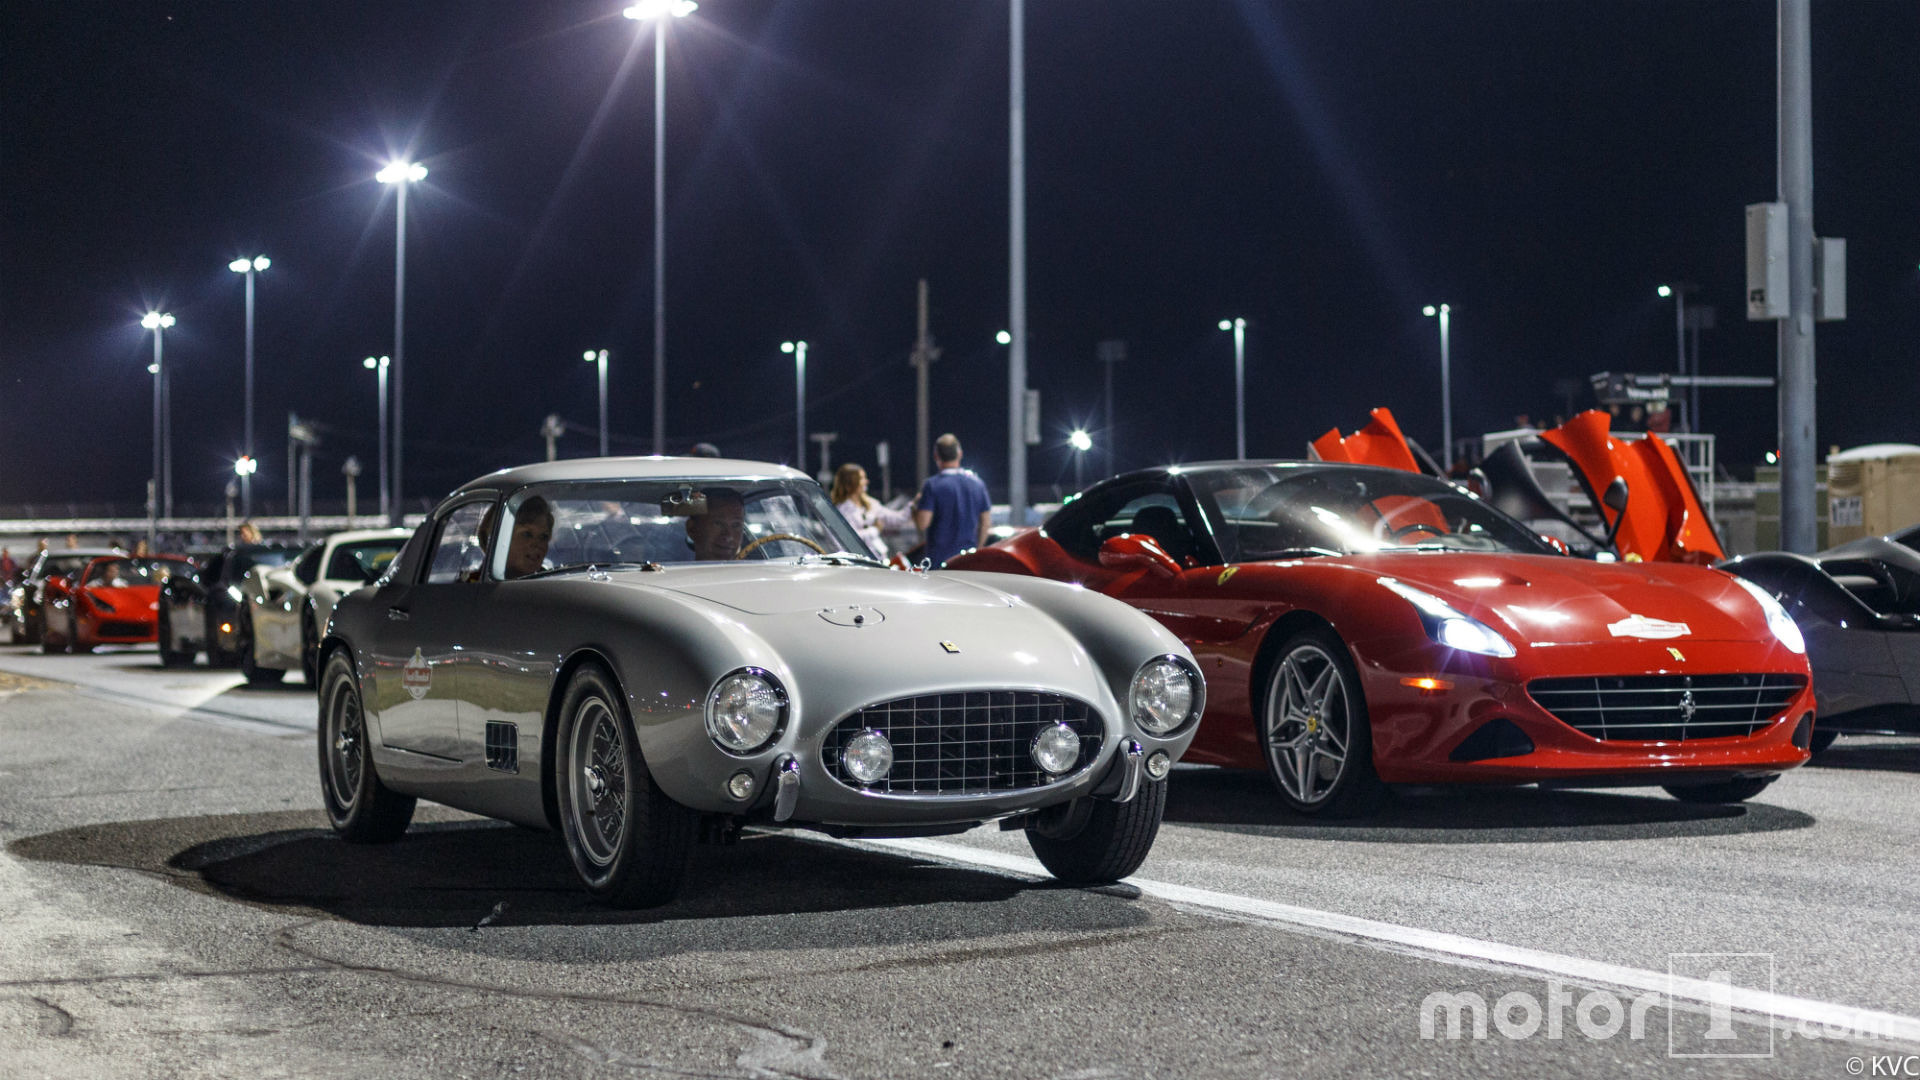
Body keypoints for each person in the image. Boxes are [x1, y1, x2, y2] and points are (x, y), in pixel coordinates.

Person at [913, 434, 992, 569]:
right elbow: (985, 523)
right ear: (959, 454)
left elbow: (922, 523)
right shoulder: (977, 483)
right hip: (967, 560)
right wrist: (977, 549)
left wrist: (914, 507)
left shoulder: (932, 485)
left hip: (938, 561)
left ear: (936, 456)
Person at [686, 487, 747, 561]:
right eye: (718, 523)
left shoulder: (758, 571)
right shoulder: (671, 570)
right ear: (692, 529)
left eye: (736, 525)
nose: (728, 536)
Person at [502, 496, 554, 578]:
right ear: (505, 538)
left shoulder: (552, 583)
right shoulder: (480, 584)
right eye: (527, 534)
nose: (536, 544)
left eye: (543, 537)